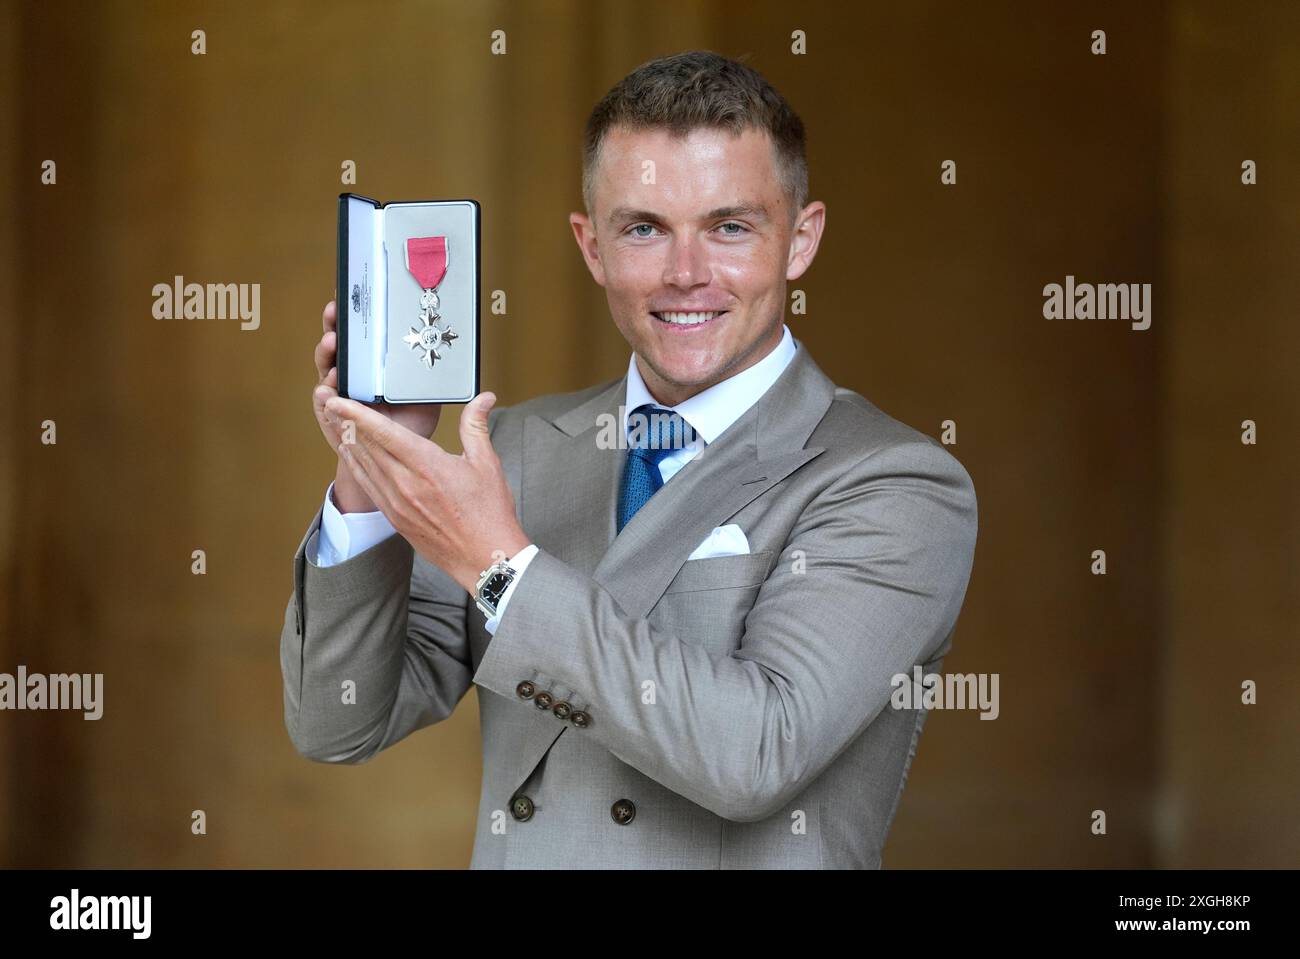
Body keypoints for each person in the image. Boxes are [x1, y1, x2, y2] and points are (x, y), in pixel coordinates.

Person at [281, 50, 977, 869]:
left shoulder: (894, 483)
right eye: (644, 228)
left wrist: (500, 566)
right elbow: (340, 723)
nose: (686, 274)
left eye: (729, 227)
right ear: (592, 247)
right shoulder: (517, 451)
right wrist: (372, 465)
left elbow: (756, 754)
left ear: (800, 239)